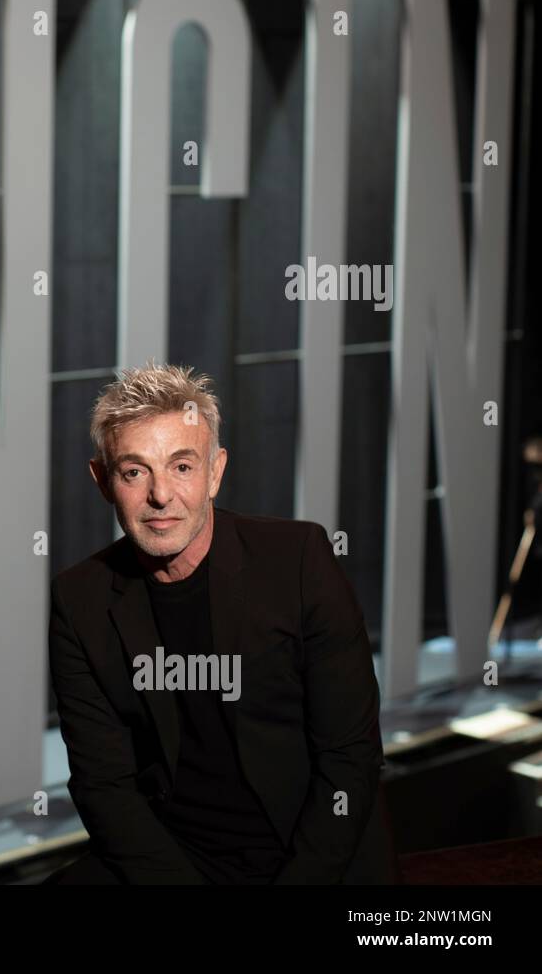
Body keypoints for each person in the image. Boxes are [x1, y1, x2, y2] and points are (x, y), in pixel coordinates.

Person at [44, 362, 397, 885]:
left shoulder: (299, 560)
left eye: (182, 467)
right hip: (176, 857)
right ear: (103, 481)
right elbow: (103, 786)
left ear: (215, 472)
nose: (160, 495)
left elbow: (350, 756)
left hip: (309, 854)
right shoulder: (80, 599)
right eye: (134, 471)